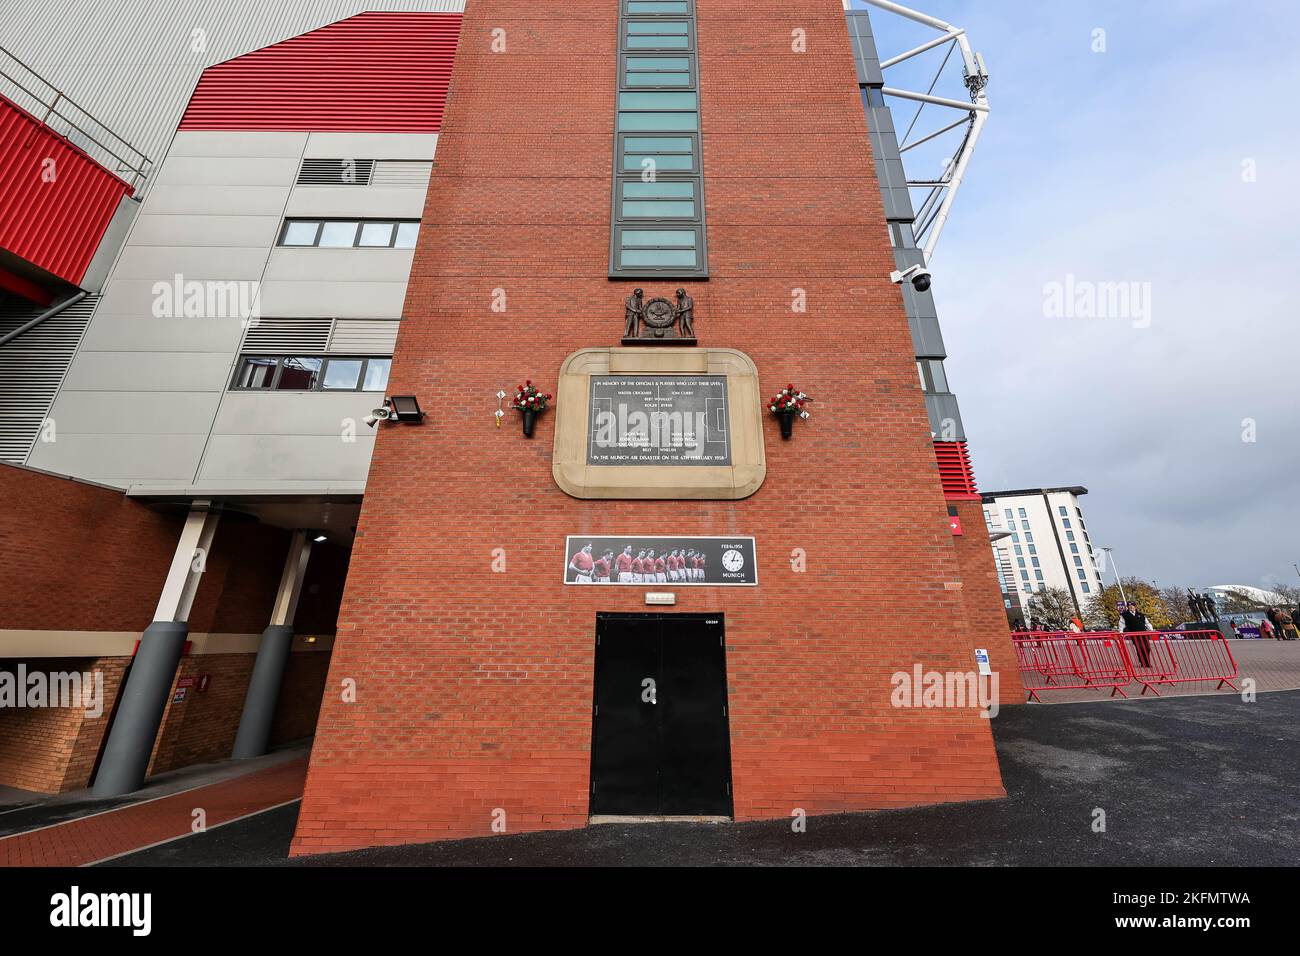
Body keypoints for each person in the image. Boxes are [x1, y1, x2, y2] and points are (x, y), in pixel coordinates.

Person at [1121, 600, 1152, 668]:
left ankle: (1147, 662)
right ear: (1127, 607)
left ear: (1135, 606)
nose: (1131, 607)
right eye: (1129, 605)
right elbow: (1121, 624)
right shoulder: (1124, 615)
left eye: (1132, 605)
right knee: (1140, 648)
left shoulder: (1141, 614)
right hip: (1134, 635)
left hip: (1144, 634)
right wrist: (1120, 633)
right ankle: (1143, 662)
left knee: (1147, 648)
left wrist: (1151, 630)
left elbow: (1147, 623)